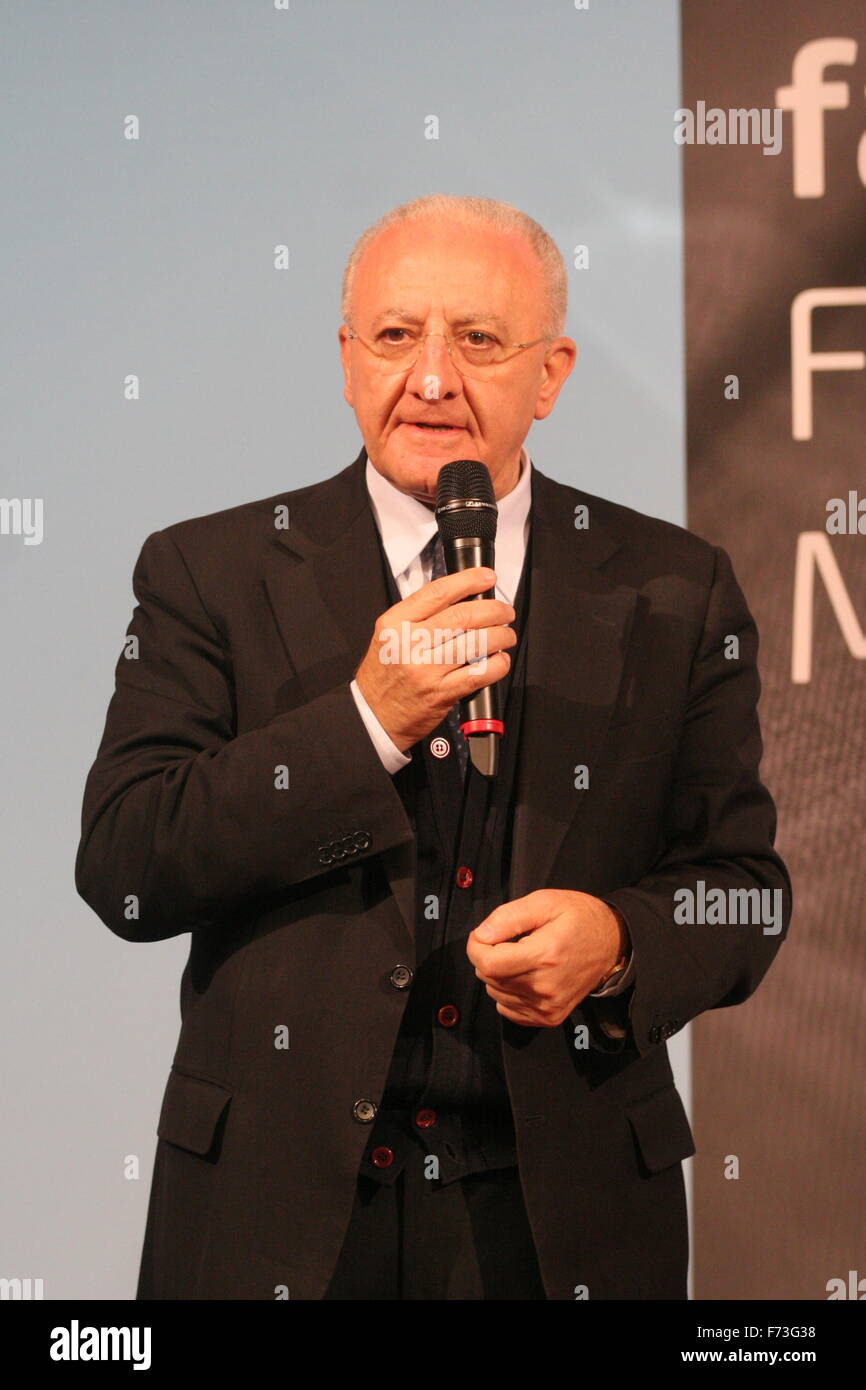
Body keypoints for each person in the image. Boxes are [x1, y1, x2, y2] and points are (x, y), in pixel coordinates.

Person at [74, 193, 791, 1300]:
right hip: (274, 1215)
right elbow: (125, 866)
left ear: (549, 374)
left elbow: (742, 891)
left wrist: (616, 940)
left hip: (561, 1219)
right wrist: (364, 723)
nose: (430, 378)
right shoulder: (209, 571)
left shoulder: (669, 587)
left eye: (478, 340)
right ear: (346, 358)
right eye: (396, 335)